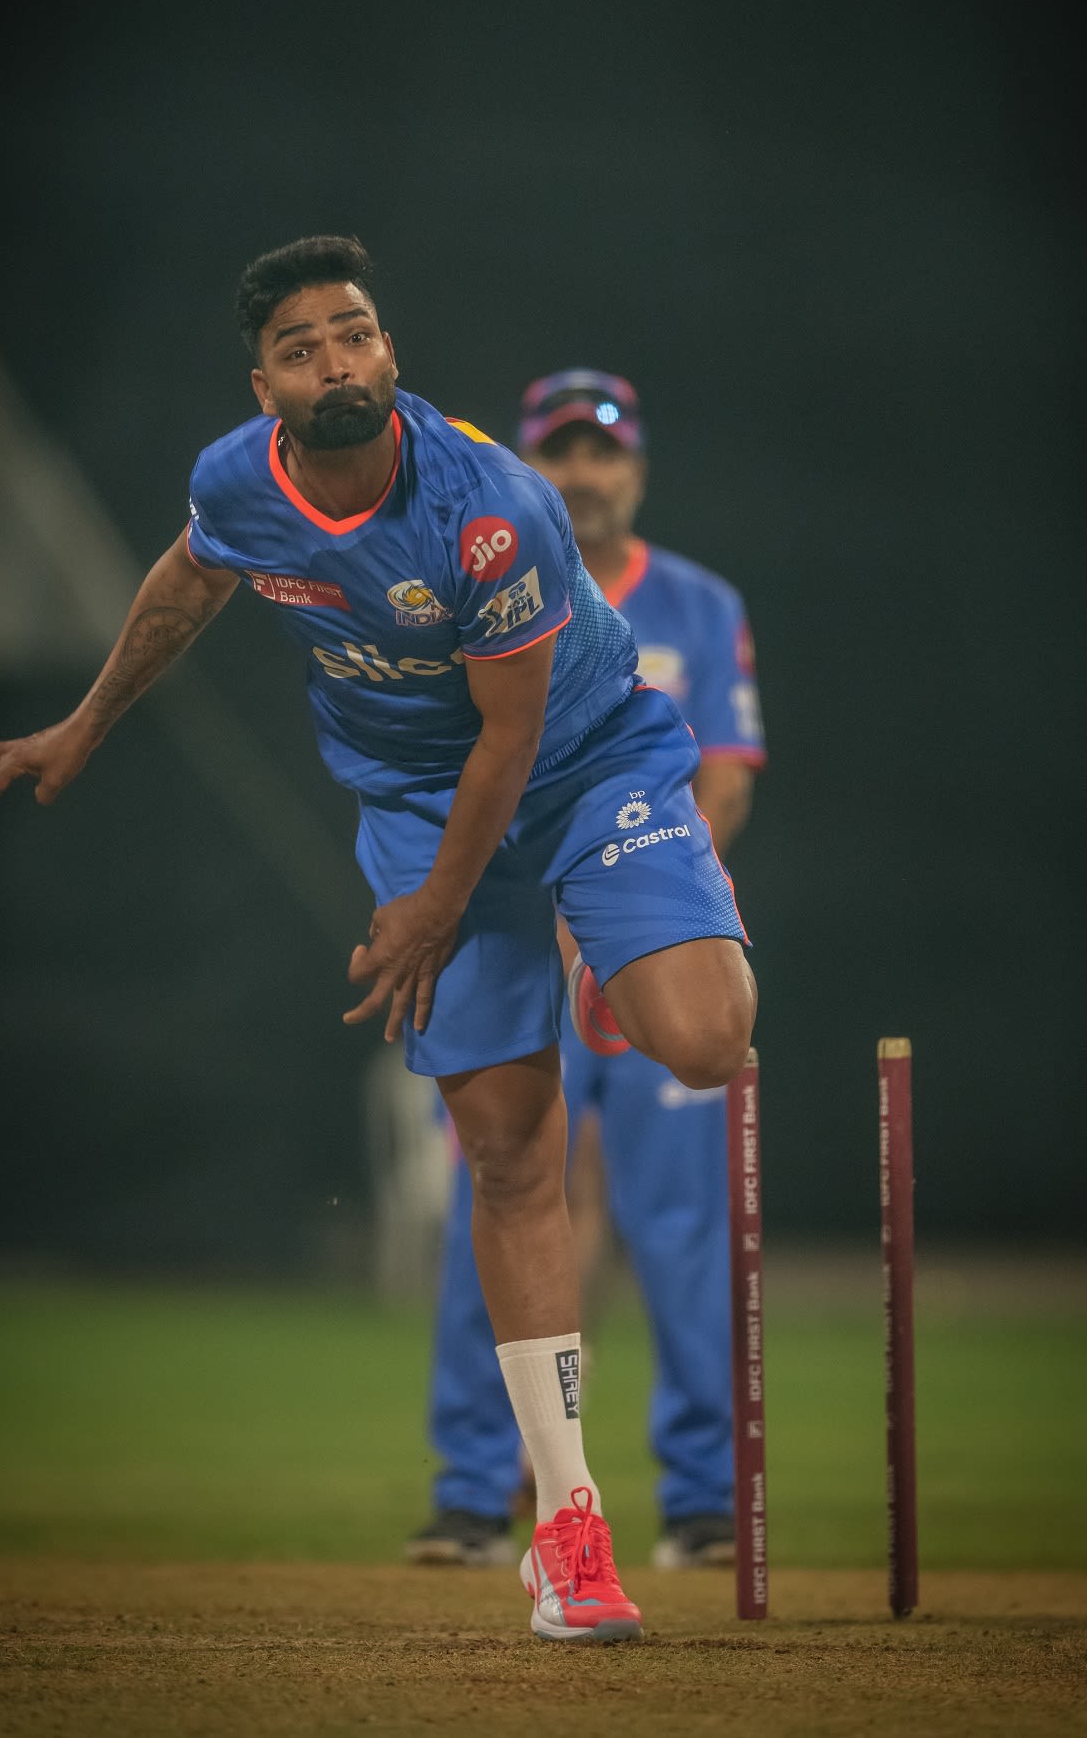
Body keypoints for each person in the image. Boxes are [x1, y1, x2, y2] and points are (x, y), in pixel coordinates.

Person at [0, 236, 758, 1645]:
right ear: (262, 382)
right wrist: (85, 723)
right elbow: (189, 583)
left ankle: (617, 930)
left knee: (706, 1037)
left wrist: (443, 912)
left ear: (390, 356)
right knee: (510, 1151)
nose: (340, 360)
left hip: (583, 772)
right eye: (307, 345)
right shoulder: (235, 481)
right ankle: (567, 1534)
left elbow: (511, 742)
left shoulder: (489, 507)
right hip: (412, 808)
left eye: (359, 335)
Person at [407, 370, 765, 1572]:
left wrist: (628, 926)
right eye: (559, 452)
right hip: (522, 941)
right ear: (526, 472)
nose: (582, 472)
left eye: (601, 452)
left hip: (637, 946)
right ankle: (474, 1490)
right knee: (503, 1188)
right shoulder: (484, 587)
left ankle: (704, 1502)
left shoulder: (698, 604)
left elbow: (718, 776)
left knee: (679, 1227)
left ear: (635, 468)